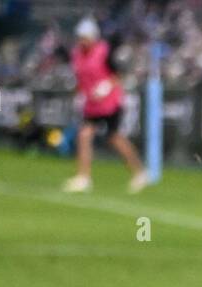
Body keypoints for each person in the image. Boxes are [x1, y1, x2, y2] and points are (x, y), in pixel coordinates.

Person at [62, 17, 148, 194]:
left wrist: (106, 86)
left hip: (110, 103)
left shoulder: (105, 52)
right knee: (84, 135)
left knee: (114, 138)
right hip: (91, 105)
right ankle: (83, 177)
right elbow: (80, 77)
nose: (82, 41)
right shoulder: (77, 54)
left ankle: (139, 172)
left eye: (86, 37)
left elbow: (118, 74)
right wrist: (79, 93)